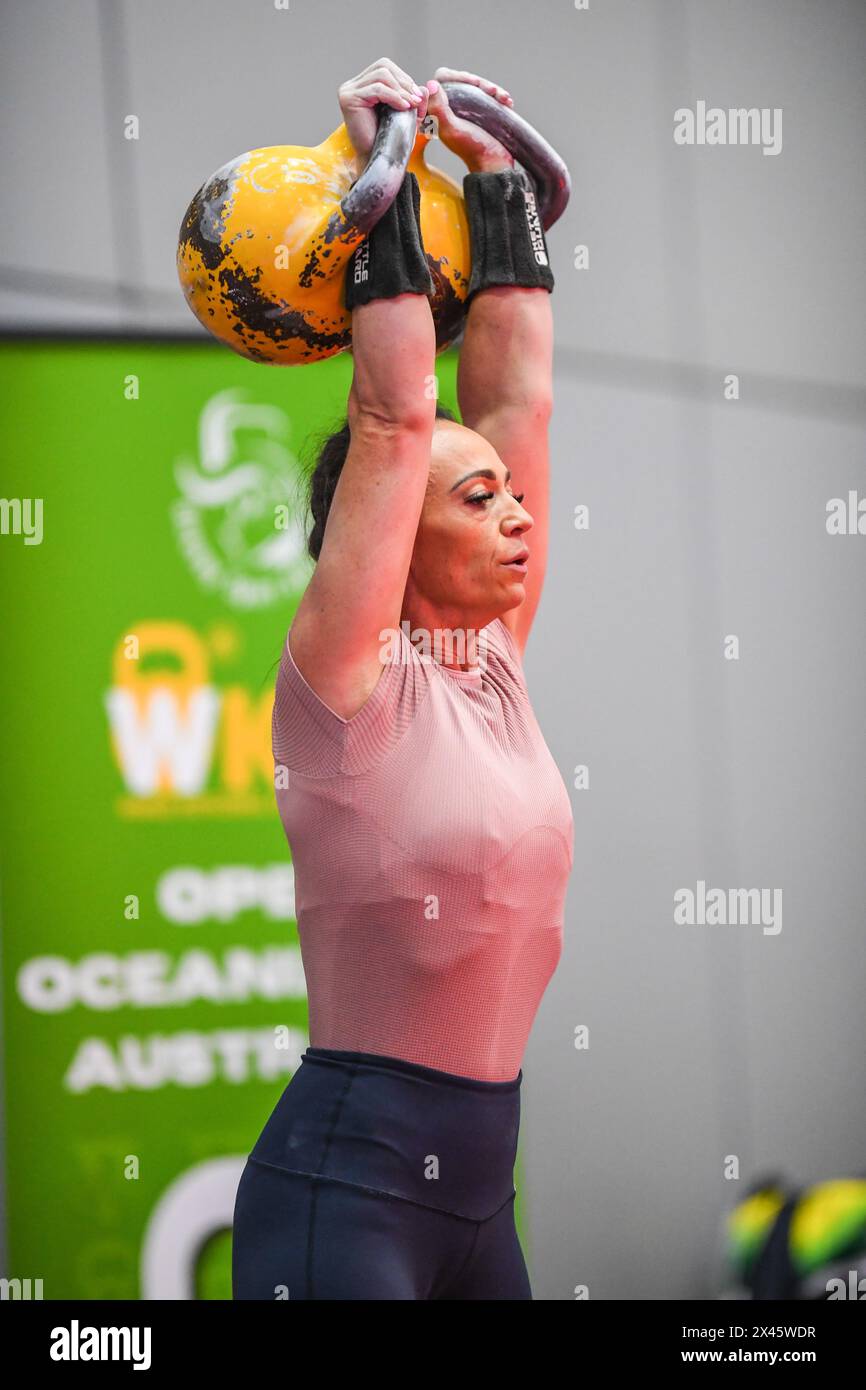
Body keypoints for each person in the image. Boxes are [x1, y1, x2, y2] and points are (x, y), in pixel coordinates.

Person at [232, 58, 573, 1301]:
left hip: (485, 1206)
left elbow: (516, 393)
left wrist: (495, 192)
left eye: (512, 496)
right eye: (476, 498)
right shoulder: (345, 687)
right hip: (342, 1198)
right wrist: (374, 175)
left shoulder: (492, 663)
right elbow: (393, 416)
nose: (517, 518)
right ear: (389, 539)